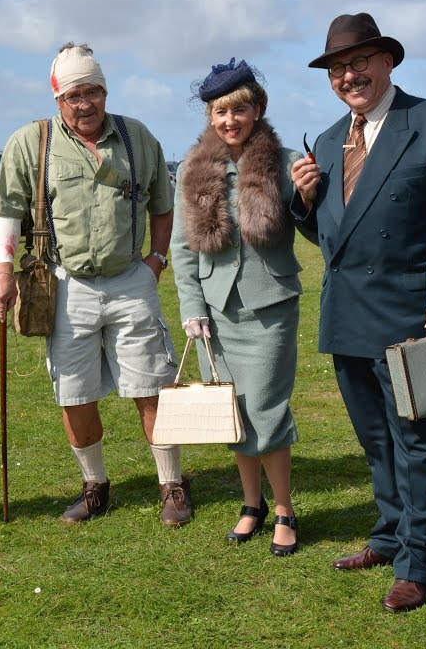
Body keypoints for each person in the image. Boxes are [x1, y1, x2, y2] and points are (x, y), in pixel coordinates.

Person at [289, 13, 426, 612]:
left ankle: (418, 561)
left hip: (411, 316)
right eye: (339, 67)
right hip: (347, 315)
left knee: (415, 443)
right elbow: (338, 238)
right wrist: (306, 201)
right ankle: (389, 534)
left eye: (360, 62)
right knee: (375, 441)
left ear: (387, 62)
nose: (350, 75)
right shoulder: (323, 141)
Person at [0, 43, 192, 528]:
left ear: (105, 91)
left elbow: (164, 205)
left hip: (131, 282)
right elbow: (7, 211)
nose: (86, 104)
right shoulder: (30, 142)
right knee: (73, 392)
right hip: (65, 284)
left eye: (93, 91)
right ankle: (95, 486)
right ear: (58, 99)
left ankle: (172, 485)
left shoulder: (138, 137)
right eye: (75, 94)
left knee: (152, 386)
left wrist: (155, 261)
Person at [170, 58, 308, 557]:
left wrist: (309, 197)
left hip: (269, 305)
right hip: (216, 313)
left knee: (266, 411)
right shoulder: (192, 167)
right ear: (210, 115)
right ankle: (251, 505)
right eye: (220, 112)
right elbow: (184, 249)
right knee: (234, 413)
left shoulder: (287, 161)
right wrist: (192, 308)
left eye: (240, 110)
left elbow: (314, 227)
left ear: (257, 109)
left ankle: (285, 509)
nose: (230, 121)